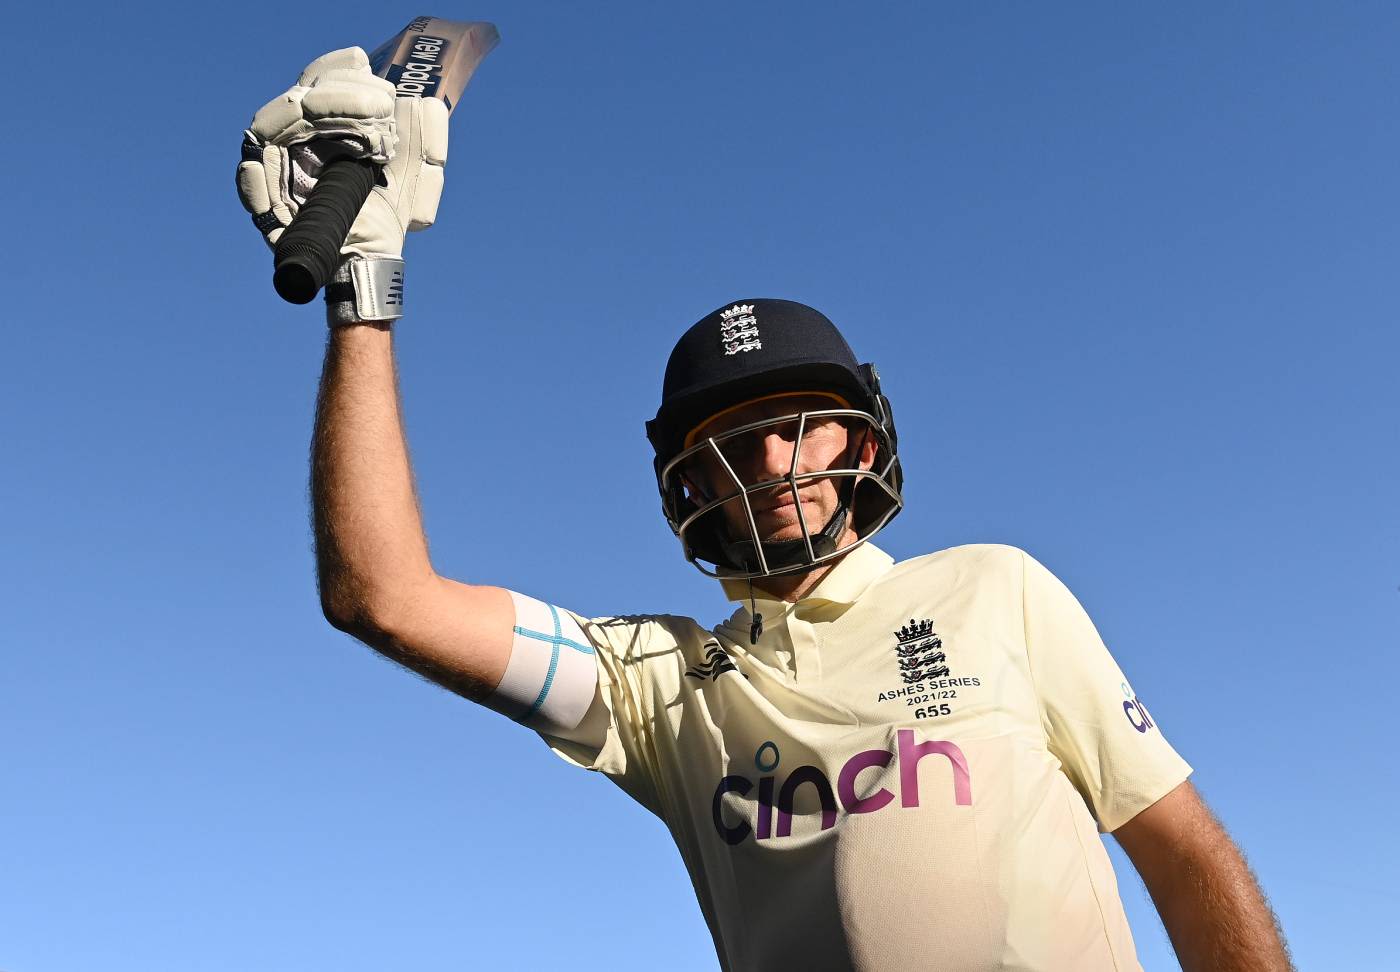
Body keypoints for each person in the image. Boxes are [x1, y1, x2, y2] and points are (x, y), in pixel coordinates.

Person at [236, 49, 1294, 972]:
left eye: (796, 425)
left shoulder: (994, 590)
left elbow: (1180, 847)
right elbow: (382, 596)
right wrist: (363, 291)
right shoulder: (657, 686)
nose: (770, 461)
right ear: (685, 485)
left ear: (861, 444)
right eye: (728, 444)